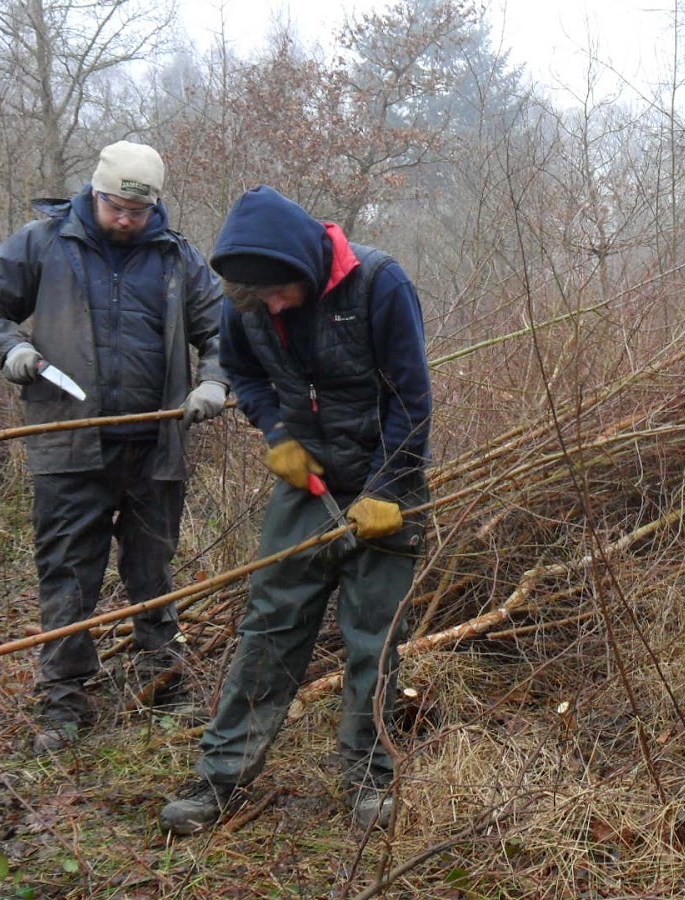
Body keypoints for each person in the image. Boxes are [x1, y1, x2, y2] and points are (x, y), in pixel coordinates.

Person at [158, 185, 431, 835]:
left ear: (304, 266)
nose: (272, 305)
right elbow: (246, 375)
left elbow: (412, 398)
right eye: (261, 297)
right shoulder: (247, 302)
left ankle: (369, 779)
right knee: (269, 629)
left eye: (281, 291)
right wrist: (277, 436)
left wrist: (387, 488)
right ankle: (219, 779)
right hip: (305, 485)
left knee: (374, 638)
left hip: (384, 480)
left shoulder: (379, 284)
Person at [0, 141, 229, 754]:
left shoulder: (178, 257)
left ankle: (161, 680)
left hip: (156, 445)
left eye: (137, 209)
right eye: (115, 206)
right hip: (67, 443)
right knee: (68, 571)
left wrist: (214, 378)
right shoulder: (44, 242)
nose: (126, 218)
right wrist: (11, 349)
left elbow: (222, 330)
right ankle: (64, 699)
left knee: (152, 570)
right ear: (96, 192)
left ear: (154, 204)